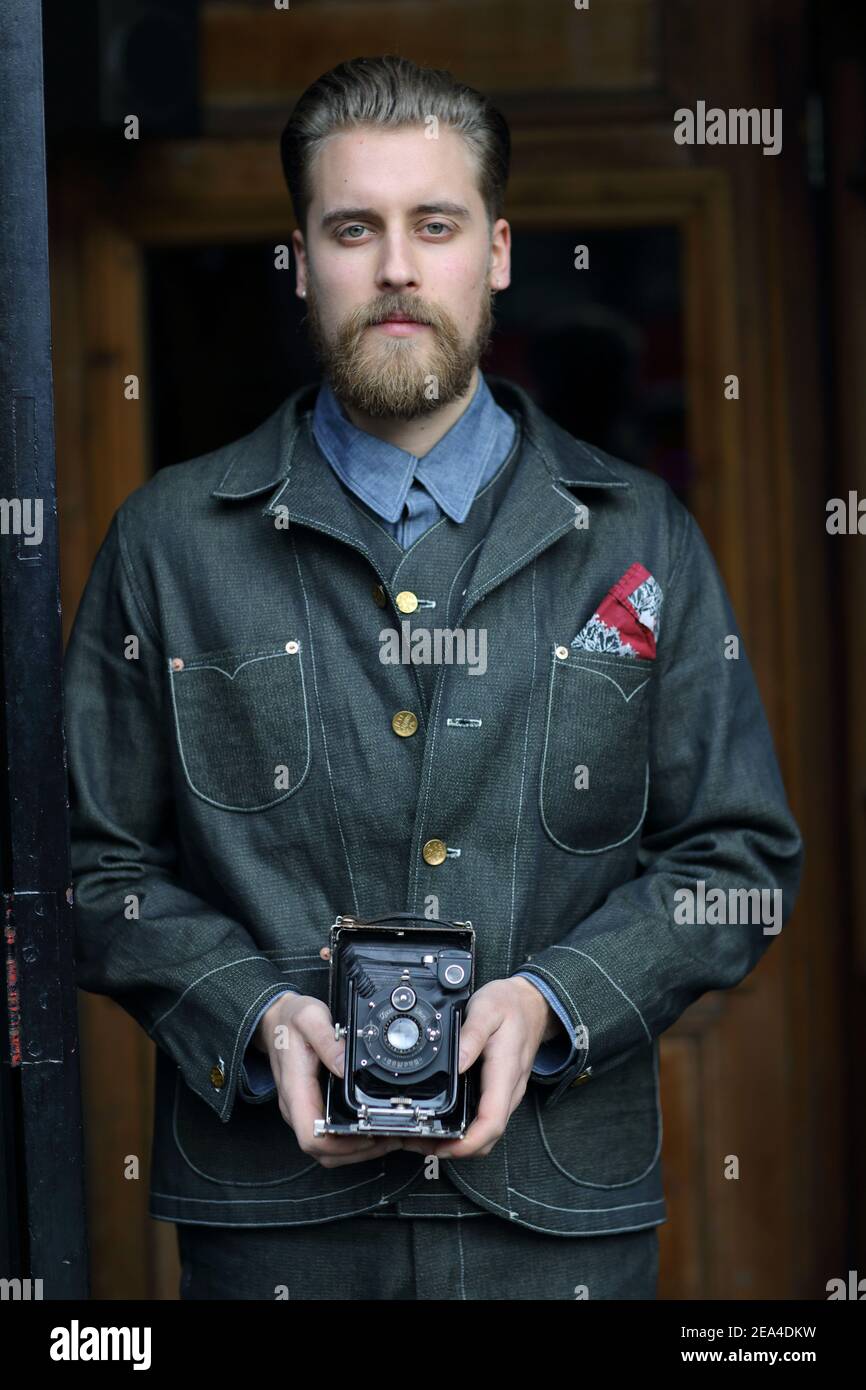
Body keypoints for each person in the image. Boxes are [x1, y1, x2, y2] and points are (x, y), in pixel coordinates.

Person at [65, 55, 803, 1301]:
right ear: (298, 259)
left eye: (434, 224)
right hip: (276, 1232)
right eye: (353, 227)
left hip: (558, 1227)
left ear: (498, 252)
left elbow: (734, 857)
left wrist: (555, 1003)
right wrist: (257, 1017)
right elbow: (90, 869)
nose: (395, 266)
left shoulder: (637, 539)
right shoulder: (170, 541)